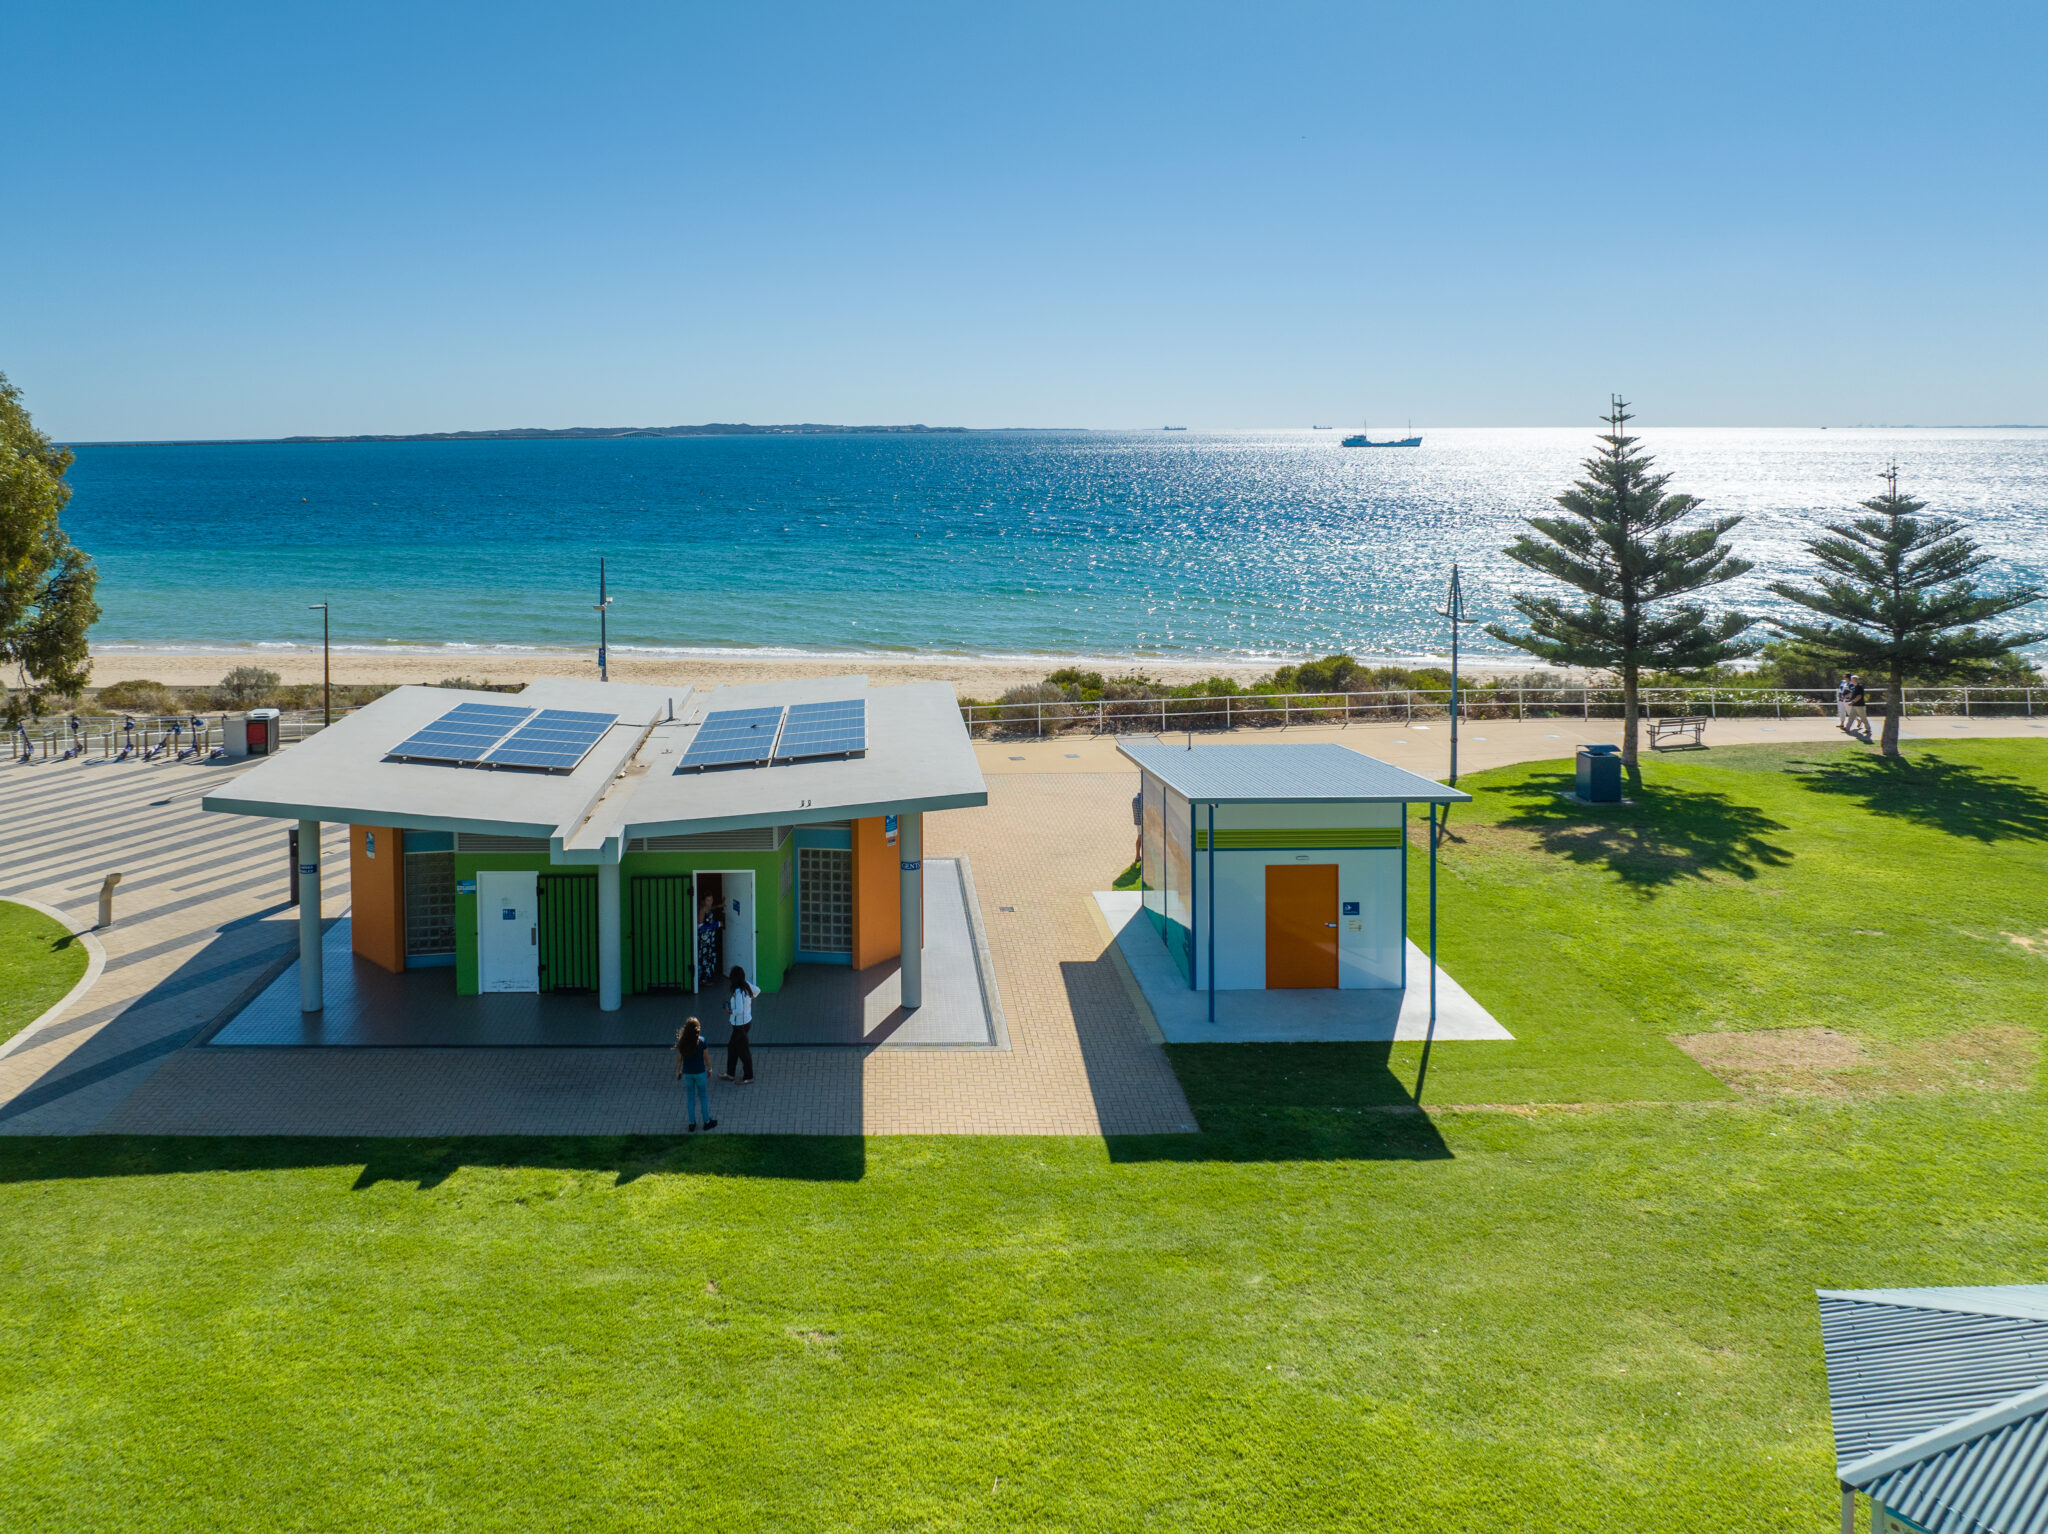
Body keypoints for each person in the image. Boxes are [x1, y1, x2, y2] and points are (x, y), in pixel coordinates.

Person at [674, 1018, 716, 1132]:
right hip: (700, 1073)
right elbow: (706, 1058)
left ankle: (692, 1123)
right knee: (703, 1097)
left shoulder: (682, 1042)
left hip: (687, 1073)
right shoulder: (702, 1041)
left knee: (690, 1098)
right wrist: (710, 1069)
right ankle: (707, 1121)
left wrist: (678, 1072)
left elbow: (679, 1060)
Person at [722, 964, 761, 1084]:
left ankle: (748, 1077)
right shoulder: (746, 985)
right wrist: (751, 997)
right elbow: (758, 990)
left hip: (740, 1026)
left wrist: (729, 1011)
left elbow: (739, 1011)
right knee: (732, 1048)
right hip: (746, 1023)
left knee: (743, 1052)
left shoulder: (739, 992)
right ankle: (730, 1074)